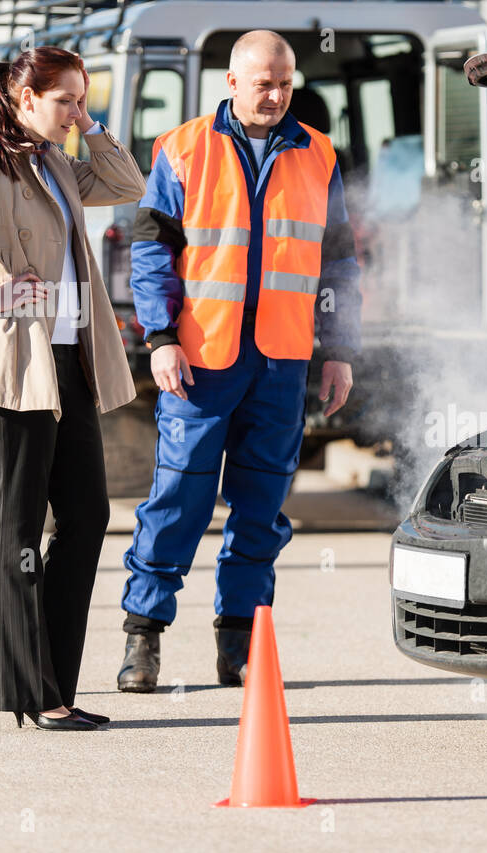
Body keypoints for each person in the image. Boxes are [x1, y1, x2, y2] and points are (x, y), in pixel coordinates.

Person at [116, 29, 361, 691]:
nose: (276, 95)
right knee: (178, 499)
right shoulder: (183, 149)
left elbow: (338, 261)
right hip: (202, 361)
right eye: (263, 83)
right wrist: (160, 337)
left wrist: (337, 350)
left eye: (285, 83)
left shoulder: (318, 154)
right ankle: (143, 638)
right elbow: (151, 252)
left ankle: (240, 646)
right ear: (231, 82)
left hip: (282, 363)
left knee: (261, 508)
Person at [0, 46, 147, 730]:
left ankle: (55, 686)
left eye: (82, 99)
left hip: (72, 363)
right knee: (18, 526)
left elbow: (127, 183)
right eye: (66, 100)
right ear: (23, 99)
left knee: (88, 515)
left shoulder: (57, 164)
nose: (77, 112)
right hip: (19, 365)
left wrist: (93, 127)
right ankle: (31, 693)